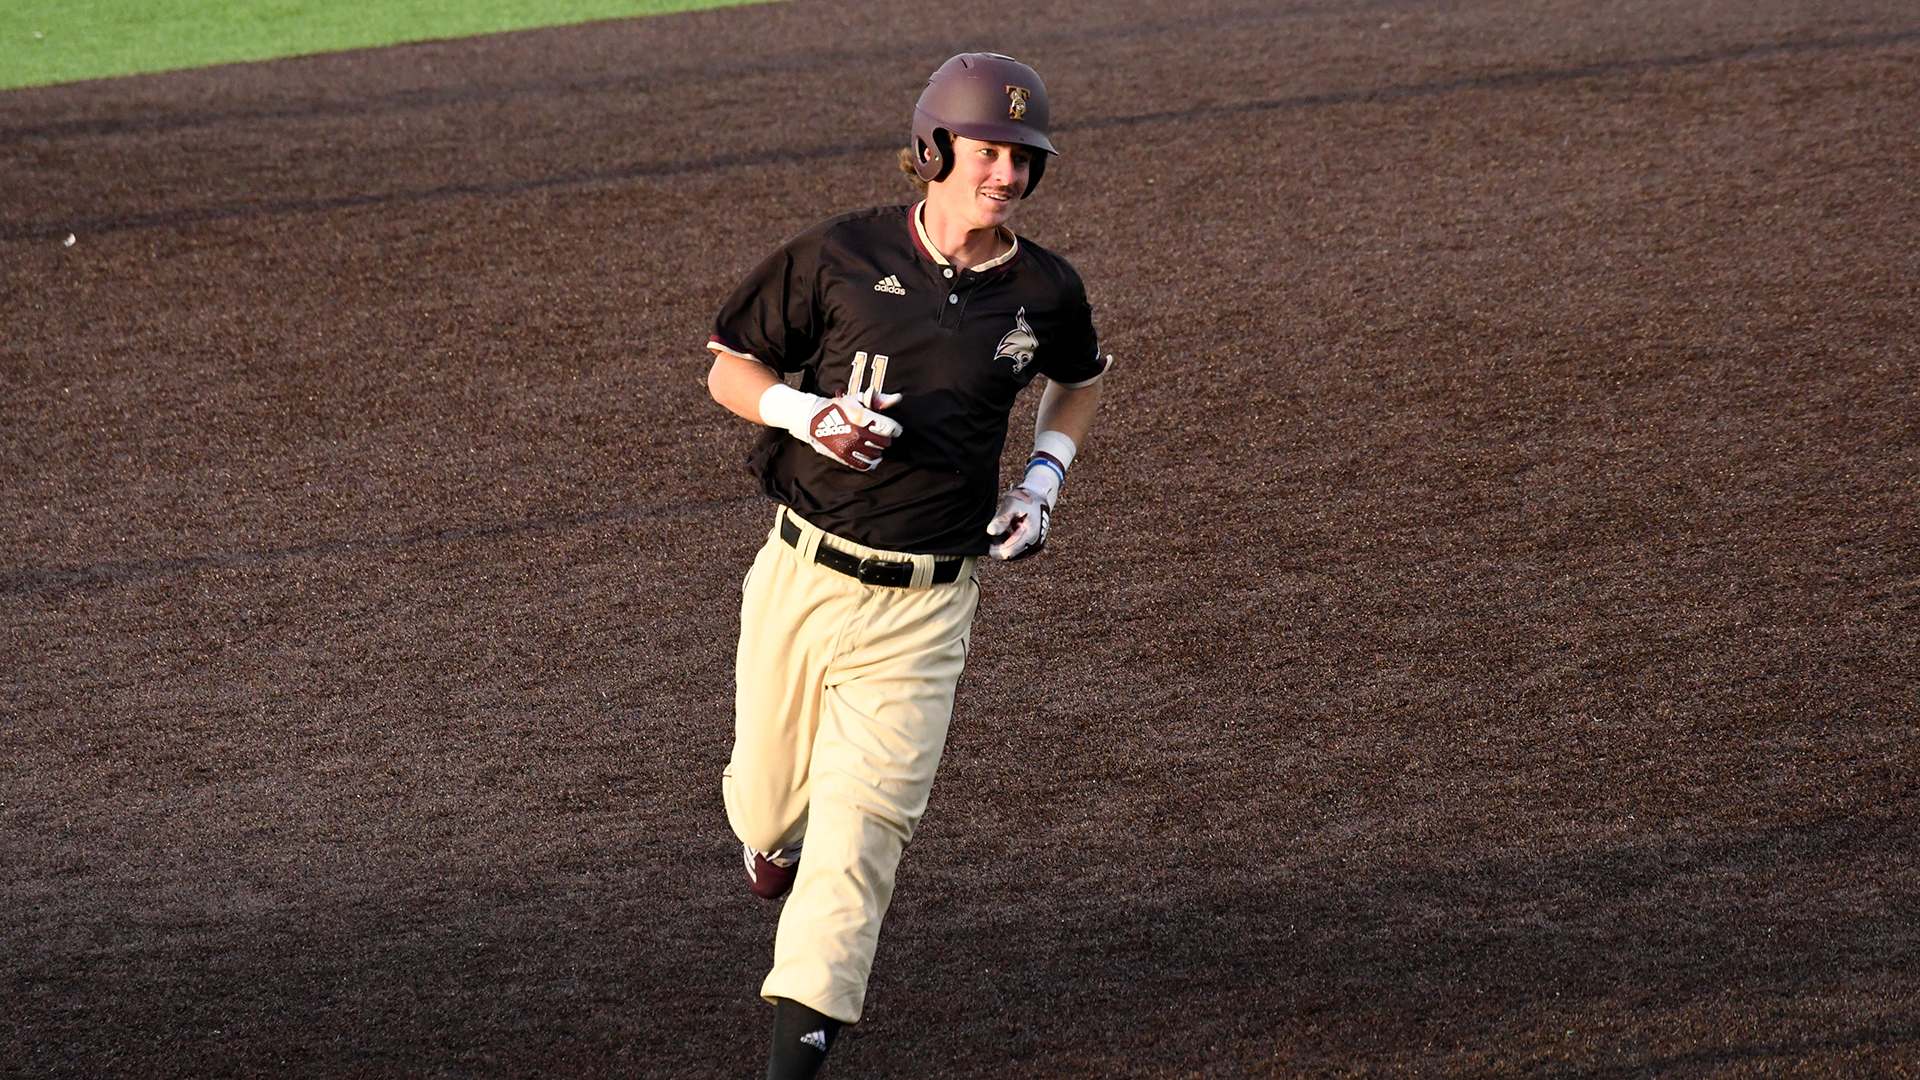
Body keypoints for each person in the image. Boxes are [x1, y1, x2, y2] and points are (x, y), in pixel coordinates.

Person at [703, 51, 1109, 1080]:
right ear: (934, 148)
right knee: (764, 806)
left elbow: (1080, 382)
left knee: (862, 840)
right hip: (802, 576)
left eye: (1025, 159)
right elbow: (732, 366)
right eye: (988, 152)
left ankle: (790, 1064)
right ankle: (769, 840)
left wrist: (1043, 481)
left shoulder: (1047, 290)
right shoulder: (841, 254)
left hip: (927, 610)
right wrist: (809, 415)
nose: (1008, 175)